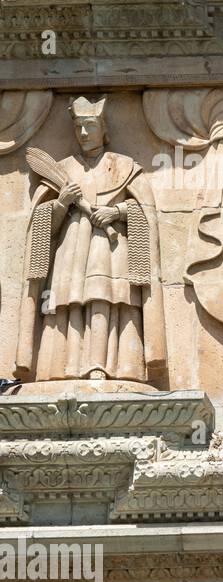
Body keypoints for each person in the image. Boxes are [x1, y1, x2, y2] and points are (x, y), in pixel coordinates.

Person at [15, 96, 166, 385]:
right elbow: (42, 226)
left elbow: (146, 214)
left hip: (110, 250)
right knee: (66, 301)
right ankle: (63, 365)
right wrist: (61, 204)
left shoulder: (124, 167)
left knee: (106, 298)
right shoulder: (63, 169)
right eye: (78, 127)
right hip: (70, 251)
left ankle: (108, 366)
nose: (83, 133)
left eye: (89, 126)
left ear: (103, 128)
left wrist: (117, 211)